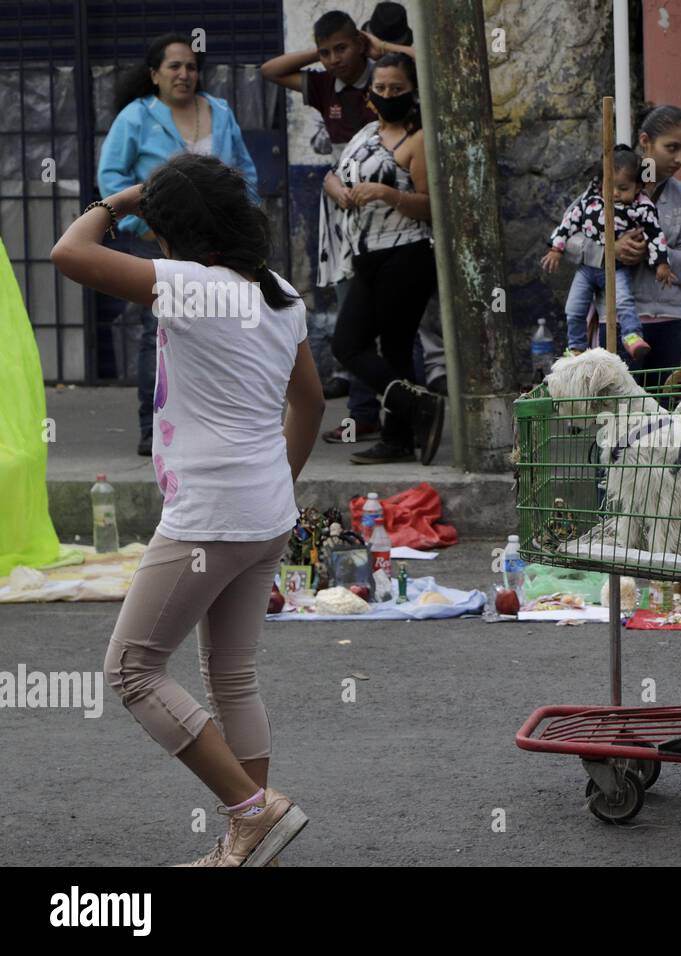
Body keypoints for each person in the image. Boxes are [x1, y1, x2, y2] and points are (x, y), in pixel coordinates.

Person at [51, 153, 323, 865]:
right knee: (231, 675)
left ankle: (252, 811)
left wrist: (120, 200)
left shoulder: (187, 284)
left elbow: (69, 254)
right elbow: (312, 403)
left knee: (133, 668)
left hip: (210, 516)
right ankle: (246, 840)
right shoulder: (280, 295)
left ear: (169, 232)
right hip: (265, 511)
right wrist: (277, 482)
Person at [98, 32, 259, 458]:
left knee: (222, 326)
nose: (185, 74)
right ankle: (154, 429)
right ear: (154, 75)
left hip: (219, 246)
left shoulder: (219, 111)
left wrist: (246, 223)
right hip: (158, 244)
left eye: (191, 66)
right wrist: (147, 226)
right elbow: (111, 178)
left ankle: (215, 422)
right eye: (174, 66)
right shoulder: (136, 117)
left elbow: (245, 172)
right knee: (159, 331)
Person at [261, 7, 417, 442]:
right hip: (345, 210)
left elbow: (426, 65)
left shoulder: (389, 83)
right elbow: (269, 69)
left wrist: (381, 49)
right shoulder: (325, 82)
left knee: (403, 328)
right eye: (326, 52)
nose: (333, 59)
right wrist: (322, 49)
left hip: (396, 224)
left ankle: (409, 412)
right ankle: (365, 413)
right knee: (354, 318)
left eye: (342, 48)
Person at [328, 52, 442, 465]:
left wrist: (389, 194)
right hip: (365, 254)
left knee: (392, 346)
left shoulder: (418, 140)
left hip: (406, 253)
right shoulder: (365, 133)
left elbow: (432, 206)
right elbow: (332, 173)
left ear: (412, 91)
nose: (388, 95)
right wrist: (338, 190)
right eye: (381, 89)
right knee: (348, 344)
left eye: (397, 89)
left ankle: (398, 437)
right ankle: (417, 410)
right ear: (371, 92)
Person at [567, 105, 681, 389]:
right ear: (645, 141)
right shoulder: (606, 183)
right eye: (672, 147)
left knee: (661, 406)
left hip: (668, 317)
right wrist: (609, 251)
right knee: (617, 407)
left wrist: (652, 253)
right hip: (616, 318)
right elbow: (567, 239)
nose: (680, 158)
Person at [542, 144, 672, 359]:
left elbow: (655, 235)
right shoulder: (590, 202)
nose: (614, 194)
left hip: (616, 269)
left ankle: (632, 337)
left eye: (623, 188)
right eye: (609, 186)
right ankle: (576, 347)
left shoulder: (642, 208)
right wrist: (556, 248)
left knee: (623, 302)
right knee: (573, 308)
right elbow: (569, 222)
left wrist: (661, 264)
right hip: (587, 269)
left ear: (638, 187)